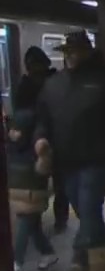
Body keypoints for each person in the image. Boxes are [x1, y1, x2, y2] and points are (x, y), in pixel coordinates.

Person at [34, 31, 105, 271]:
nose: (70, 56)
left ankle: (80, 257)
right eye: (67, 52)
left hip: (101, 158)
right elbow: (43, 118)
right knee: (83, 208)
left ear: (87, 52)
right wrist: (41, 138)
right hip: (67, 160)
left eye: (75, 51)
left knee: (89, 204)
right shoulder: (53, 85)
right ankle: (102, 252)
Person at [8, 84, 55, 271]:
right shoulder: (41, 119)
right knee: (31, 221)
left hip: (21, 179)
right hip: (33, 178)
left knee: (26, 220)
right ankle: (47, 252)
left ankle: (17, 261)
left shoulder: (19, 118)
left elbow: (17, 141)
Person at [19, 47, 67, 234]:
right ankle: (59, 220)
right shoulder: (52, 82)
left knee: (40, 184)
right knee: (57, 184)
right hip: (48, 139)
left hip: (40, 140)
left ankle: (39, 220)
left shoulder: (29, 85)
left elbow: (22, 113)